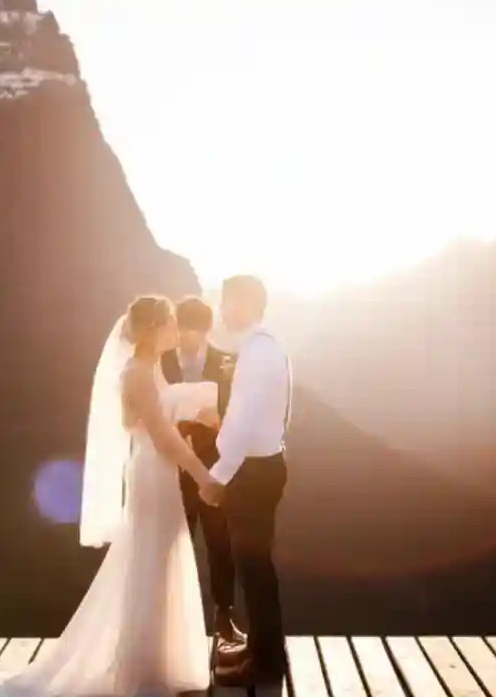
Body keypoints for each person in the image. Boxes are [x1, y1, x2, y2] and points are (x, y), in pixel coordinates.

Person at [0, 296, 221, 697]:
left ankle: (156, 661)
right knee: (150, 561)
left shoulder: (149, 369)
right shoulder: (136, 374)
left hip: (158, 472)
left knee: (158, 558)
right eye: (170, 323)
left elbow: (142, 422)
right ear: (153, 329)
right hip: (152, 474)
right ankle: (140, 670)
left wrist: (193, 417)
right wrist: (203, 476)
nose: (176, 330)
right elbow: (159, 435)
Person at [200, 275, 293, 686]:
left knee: (255, 567)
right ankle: (260, 649)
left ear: (246, 303)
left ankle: (266, 663)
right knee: (255, 564)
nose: (222, 310)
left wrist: (218, 476)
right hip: (265, 464)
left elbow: (243, 419)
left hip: (251, 471)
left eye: (227, 302)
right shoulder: (267, 346)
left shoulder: (256, 352)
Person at [160, 297, 247, 646]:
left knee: (219, 542)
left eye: (194, 330)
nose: (187, 337)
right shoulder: (161, 362)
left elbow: (241, 413)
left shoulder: (228, 363)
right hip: (170, 468)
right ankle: (168, 624)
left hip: (214, 468)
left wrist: (218, 421)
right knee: (169, 544)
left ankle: (224, 618)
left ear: (206, 330)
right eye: (183, 329)